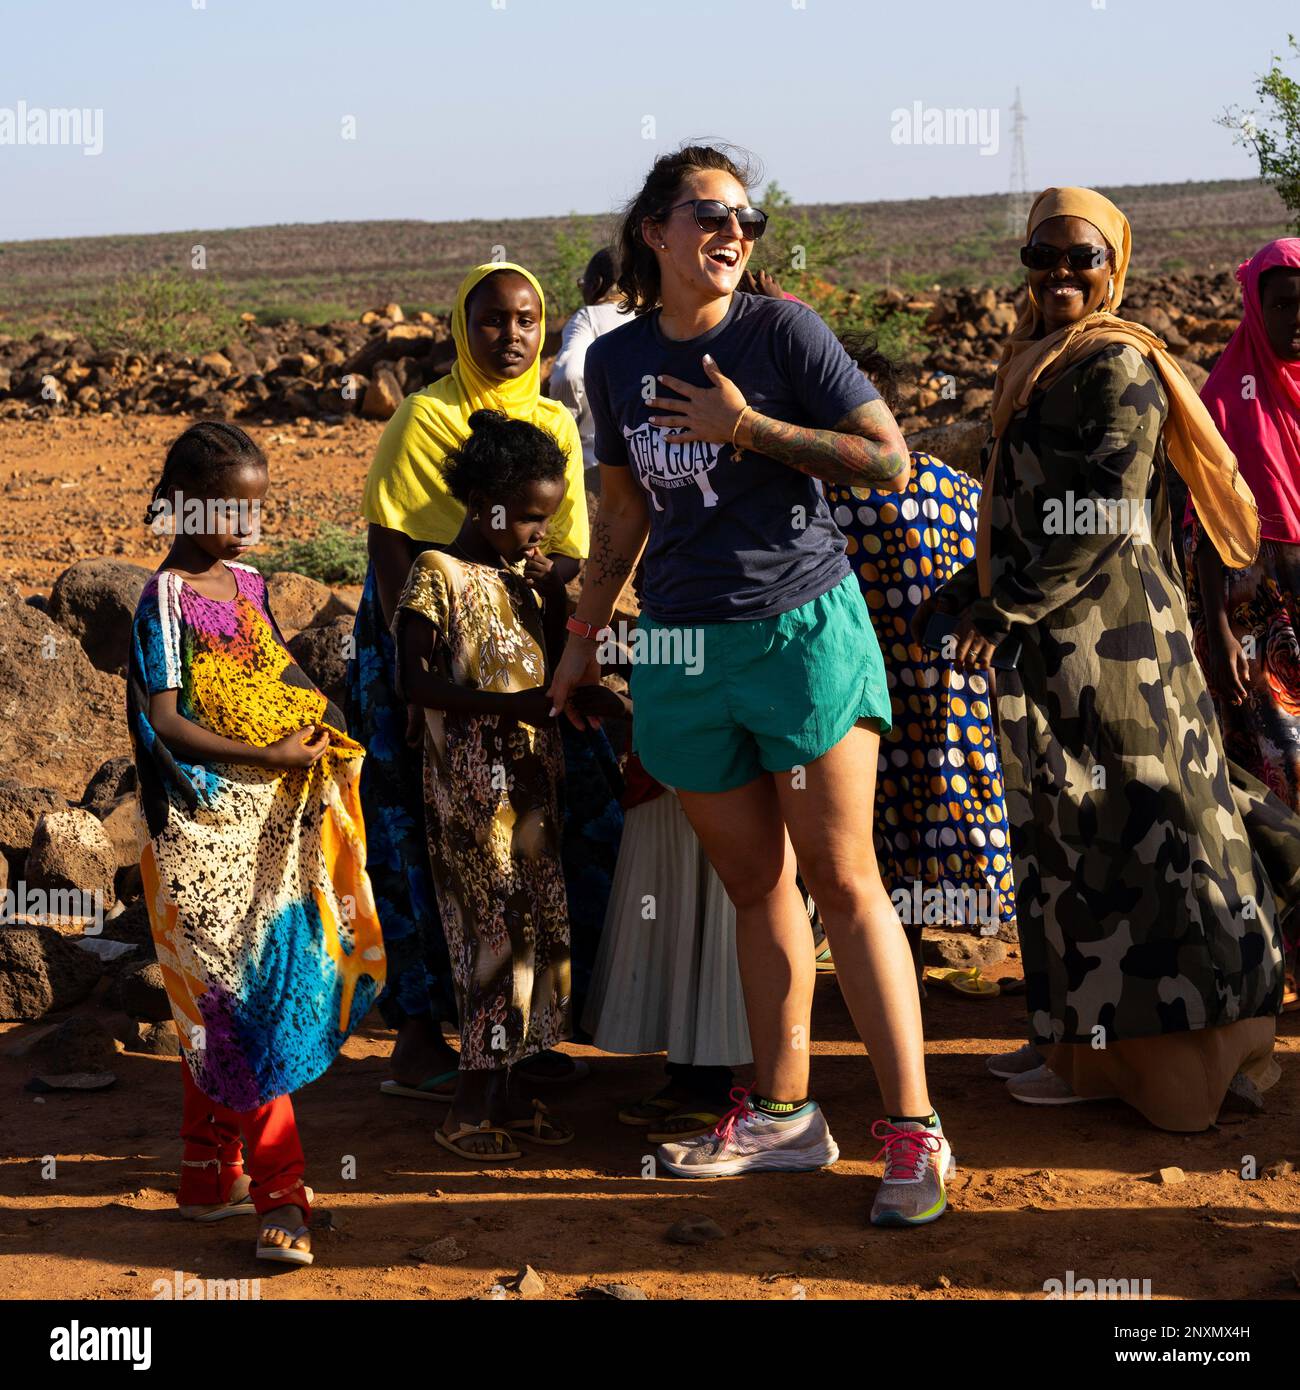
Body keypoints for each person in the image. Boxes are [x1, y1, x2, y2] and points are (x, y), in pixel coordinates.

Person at [549, 143, 954, 1228]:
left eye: (746, 218)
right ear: (654, 231)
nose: (732, 232)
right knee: (753, 888)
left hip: (801, 631)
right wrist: (586, 630)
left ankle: (913, 1130)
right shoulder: (616, 359)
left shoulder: (783, 333)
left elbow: (888, 459)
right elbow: (626, 508)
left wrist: (747, 430)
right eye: (708, 213)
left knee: (841, 876)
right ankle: (783, 1112)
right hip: (682, 643)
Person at [923, 187, 1295, 1128]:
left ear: (1113, 266)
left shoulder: (1118, 365)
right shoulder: (1038, 361)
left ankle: (1183, 1060)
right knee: (1070, 837)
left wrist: (1000, 607)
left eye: (1079, 258)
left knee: (1146, 836)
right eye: (1041, 257)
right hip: (1062, 645)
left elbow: (1107, 508)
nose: (1058, 275)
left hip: (1120, 651)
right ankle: (1080, 1047)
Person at [348, 261, 618, 1098]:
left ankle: (526, 1033)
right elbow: (393, 545)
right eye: (495, 321)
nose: (513, 337)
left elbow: (569, 545)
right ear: (464, 329)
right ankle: (421, 1036)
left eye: (530, 320)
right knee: (413, 839)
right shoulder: (426, 419)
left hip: (515, 634)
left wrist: (535, 586)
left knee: (528, 844)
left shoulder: (555, 424)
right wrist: (433, 652)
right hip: (420, 642)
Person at [129, 421, 385, 1267]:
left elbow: (275, 667)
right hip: (200, 832)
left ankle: (209, 1174)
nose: (246, 524)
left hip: (267, 825)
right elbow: (166, 719)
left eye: (257, 508)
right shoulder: (160, 601)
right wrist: (260, 753)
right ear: (182, 505)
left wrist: (322, 712)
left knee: (223, 1002)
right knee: (239, 1009)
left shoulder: (246, 583)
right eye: (229, 507)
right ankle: (284, 1195)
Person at [393, 409, 602, 1161]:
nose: (542, 534)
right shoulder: (435, 574)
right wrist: (508, 708)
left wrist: (557, 602)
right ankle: (468, 1108)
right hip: (472, 802)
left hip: (533, 796)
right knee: (492, 944)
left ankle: (510, 1098)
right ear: (487, 506)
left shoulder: (522, 583)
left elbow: (552, 669)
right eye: (531, 519)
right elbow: (412, 683)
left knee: (539, 943)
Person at [827, 336, 1016, 985]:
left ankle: (920, 958)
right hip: (876, 688)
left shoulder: (939, 486)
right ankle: (901, 962)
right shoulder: (818, 494)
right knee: (896, 818)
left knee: (903, 816)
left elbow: (989, 567)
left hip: (916, 689)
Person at [1185, 238, 1300, 1008]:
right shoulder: (1227, 394)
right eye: (1283, 302)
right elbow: (1206, 525)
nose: (1297, 319)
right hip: (1259, 622)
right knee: (1279, 787)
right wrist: (1218, 630)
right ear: (1254, 304)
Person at [584, 748, 752, 1140]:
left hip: (718, 747)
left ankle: (713, 1080)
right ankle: (684, 1074)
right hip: (661, 751)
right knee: (670, 912)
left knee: (713, 908)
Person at [549, 248, 627, 474]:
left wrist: (562, 431)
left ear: (597, 284)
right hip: (652, 466)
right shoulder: (656, 317)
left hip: (595, 465)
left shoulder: (588, 318)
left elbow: (569, 375)